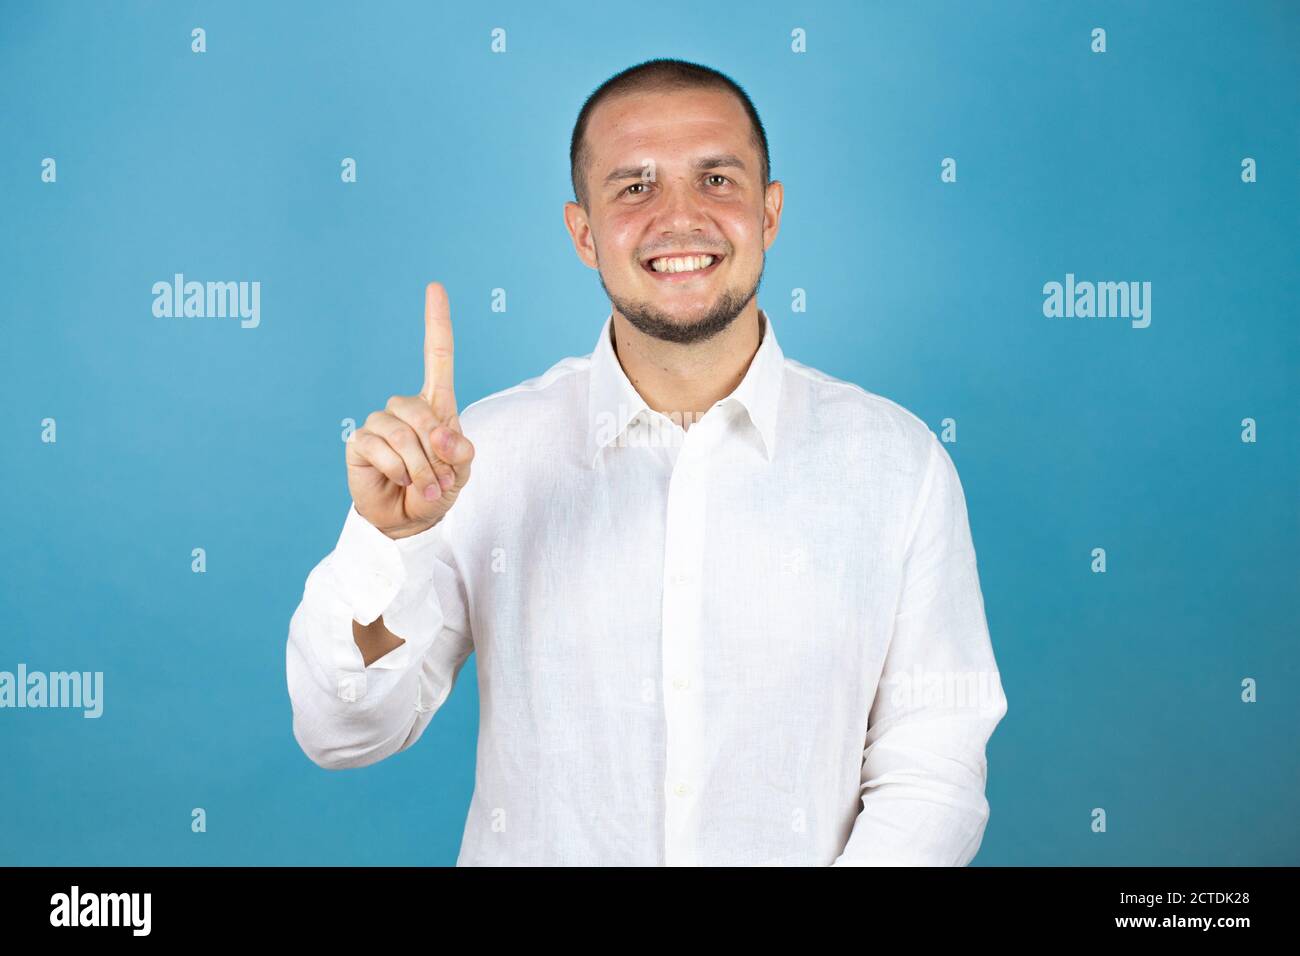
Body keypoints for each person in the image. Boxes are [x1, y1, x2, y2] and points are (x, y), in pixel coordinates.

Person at [285, 58, 1009, 866]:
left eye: (717, 179)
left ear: (770, 213)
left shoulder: (897, 467)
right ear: (584, 232)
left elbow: (933, 769)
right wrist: (386, 546)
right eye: (634, 187)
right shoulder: (482, 460)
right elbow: (343, 729)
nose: (679, 218)